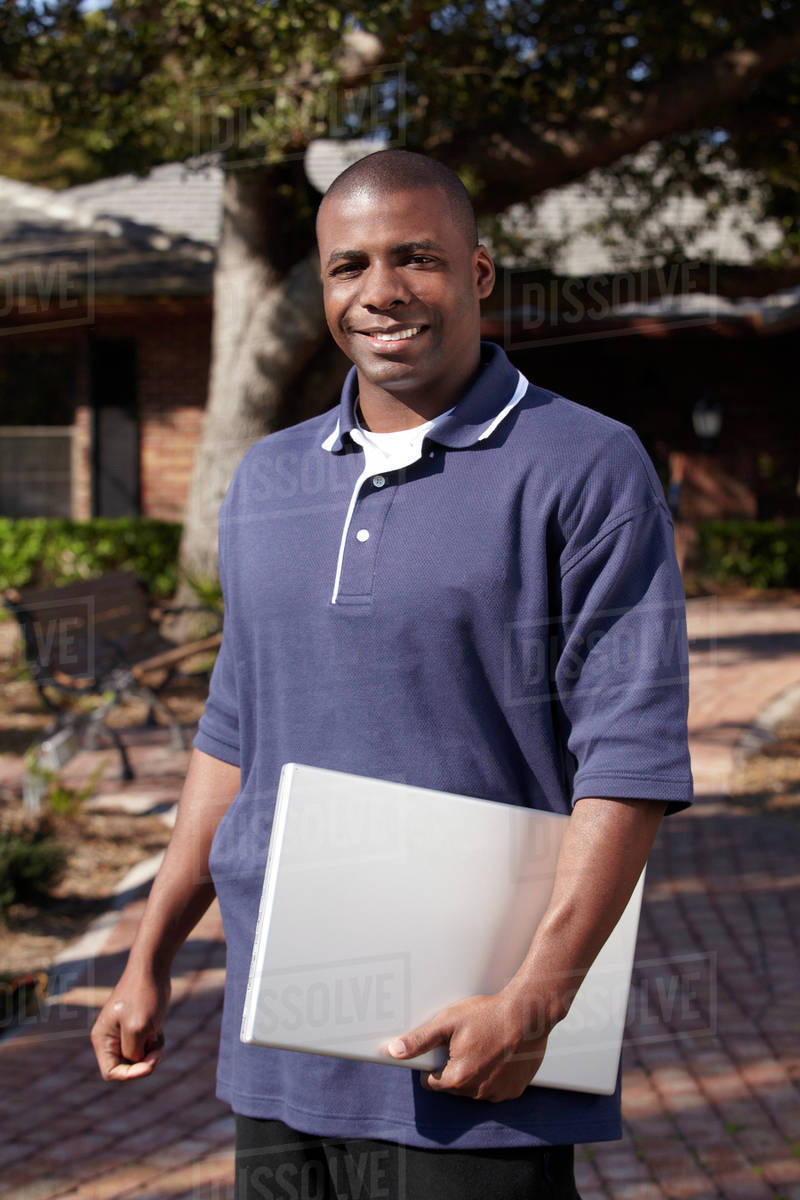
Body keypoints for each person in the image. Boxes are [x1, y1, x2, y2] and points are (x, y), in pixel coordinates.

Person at [91, 150, 693, 1199]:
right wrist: (150, 951)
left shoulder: (588, 464)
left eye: (415, 257)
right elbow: (235, 728)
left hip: (473, 1043)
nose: (380, 291)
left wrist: (535, 1000)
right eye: (348, 265)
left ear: (478, 271)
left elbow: (628, 758)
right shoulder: (267, 478)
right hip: (281, 1031)